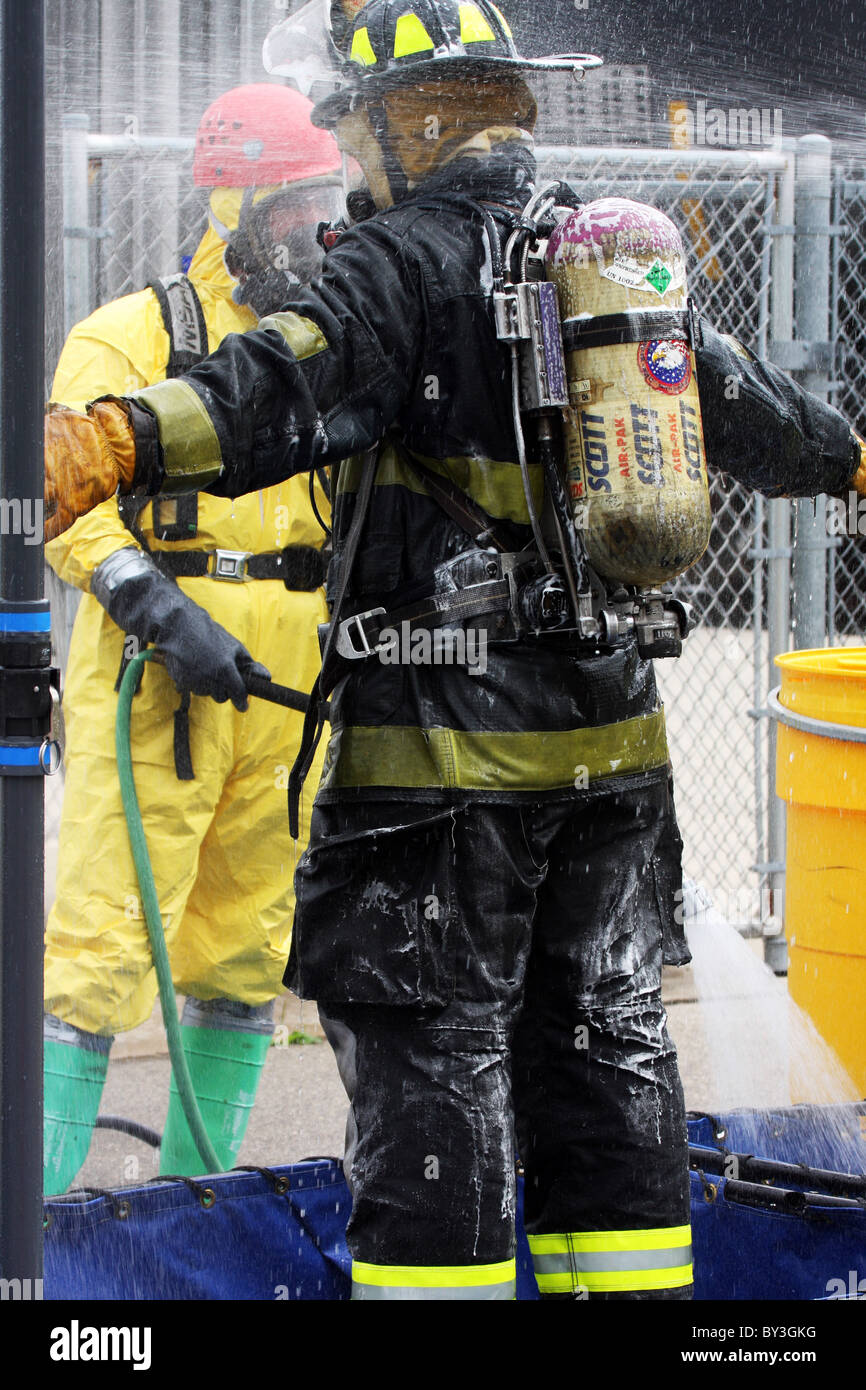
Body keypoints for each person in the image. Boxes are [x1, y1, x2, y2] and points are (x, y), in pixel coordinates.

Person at [44, 0, 866, 1297]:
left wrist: (105, 444)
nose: (354, 159)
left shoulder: (407, 258)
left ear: (411, 117)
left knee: (435, 1056)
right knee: (602, 1044)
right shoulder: (606, 257)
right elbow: (743, 404)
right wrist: (852, 459)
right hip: (611, 759)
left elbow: (267, 388)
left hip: (438, 761)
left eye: (360, 129)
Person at [42, 84, 343, 1194]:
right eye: (297, 208)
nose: (321, 231)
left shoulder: (326, 345)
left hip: (284, 692)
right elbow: (64, 503)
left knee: (245, 955)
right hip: (156, 688)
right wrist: (159, 612)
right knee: (101, 951)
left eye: (329, 202)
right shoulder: (127, 336)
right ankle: (39, 1234)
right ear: (236, 206)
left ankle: (195, 1209)